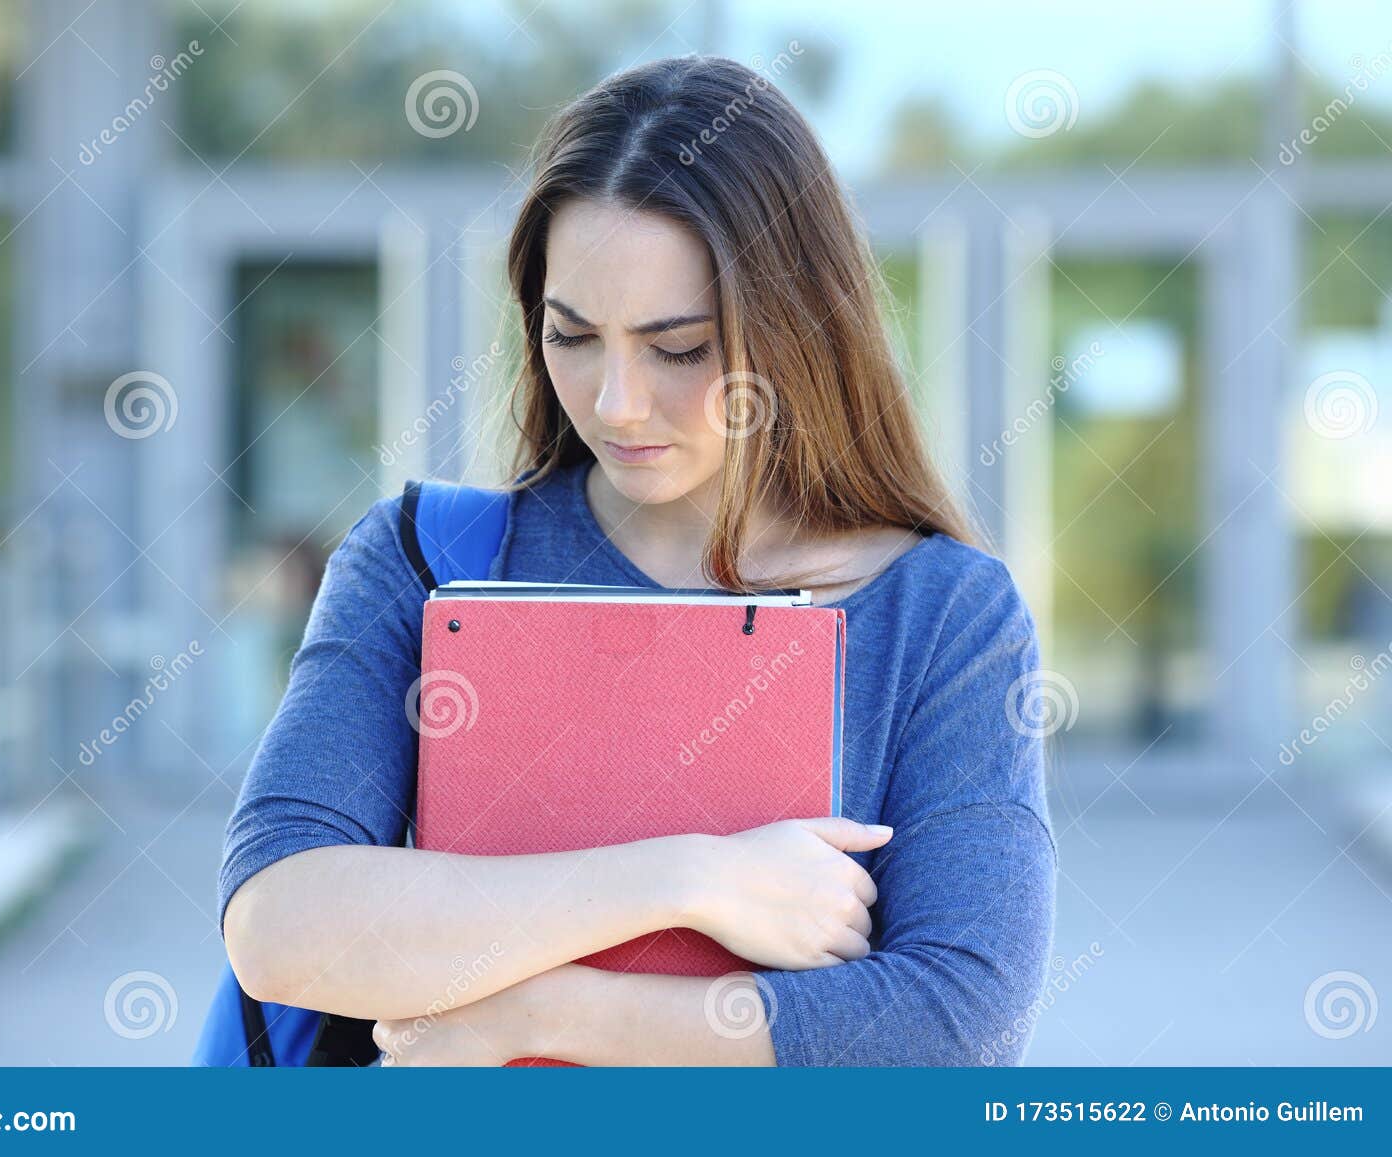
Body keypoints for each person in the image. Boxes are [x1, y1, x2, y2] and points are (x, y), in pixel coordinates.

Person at [219, 54, 1056, 1067]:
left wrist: (543, 1016)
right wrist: (690, 876)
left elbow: (956, 1026)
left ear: (796, 329)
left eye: (678, 347)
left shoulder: (939, 612)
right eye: (572, 336)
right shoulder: (423, 561)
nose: (616, 401)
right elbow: (281, 926)